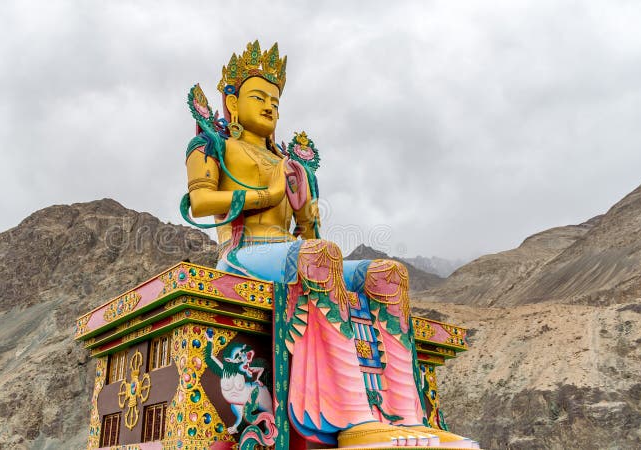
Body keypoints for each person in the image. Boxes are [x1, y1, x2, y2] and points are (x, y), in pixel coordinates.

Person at [182, 40, 477, 449]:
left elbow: (310, 236)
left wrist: (305, 210)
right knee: (320, 258)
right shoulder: (213, 146)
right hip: (244, 253)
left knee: (388, 274)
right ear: (232, 104)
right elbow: (200, 202)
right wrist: (267, 197)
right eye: (258, 97)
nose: (270, 106)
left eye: (275, 101)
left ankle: (405, 413)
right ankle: (350, 415)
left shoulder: (291, 164)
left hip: (292, 253)